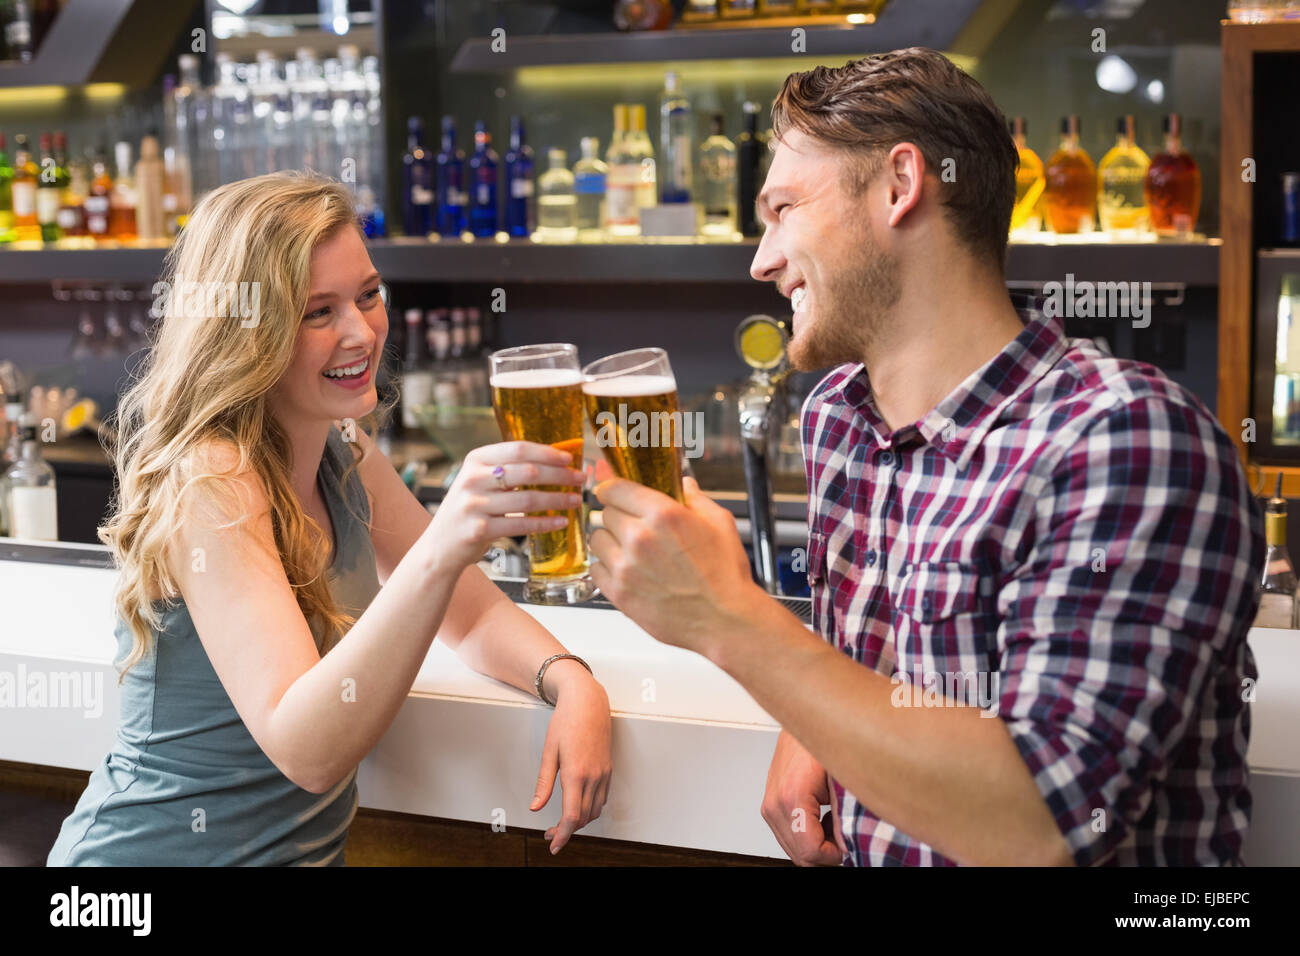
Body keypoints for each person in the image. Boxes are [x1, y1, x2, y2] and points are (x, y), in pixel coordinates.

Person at [588, 48, 1263, 866]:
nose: (760, 260)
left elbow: (1042, 826)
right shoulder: (841, 418)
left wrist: (728, 618)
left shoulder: (1126, 438)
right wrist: (822, 735)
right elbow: (880, 675)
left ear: (901, 186)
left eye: (784, 209)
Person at [47, 171, 611, 866]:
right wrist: (443, 548)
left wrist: (570, 679)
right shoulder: (213, 478)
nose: (361, 332)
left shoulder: (341, 449)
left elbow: (472, 617)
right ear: (246, 332)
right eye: (319, 312)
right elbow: (306, 750)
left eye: (368, 296)